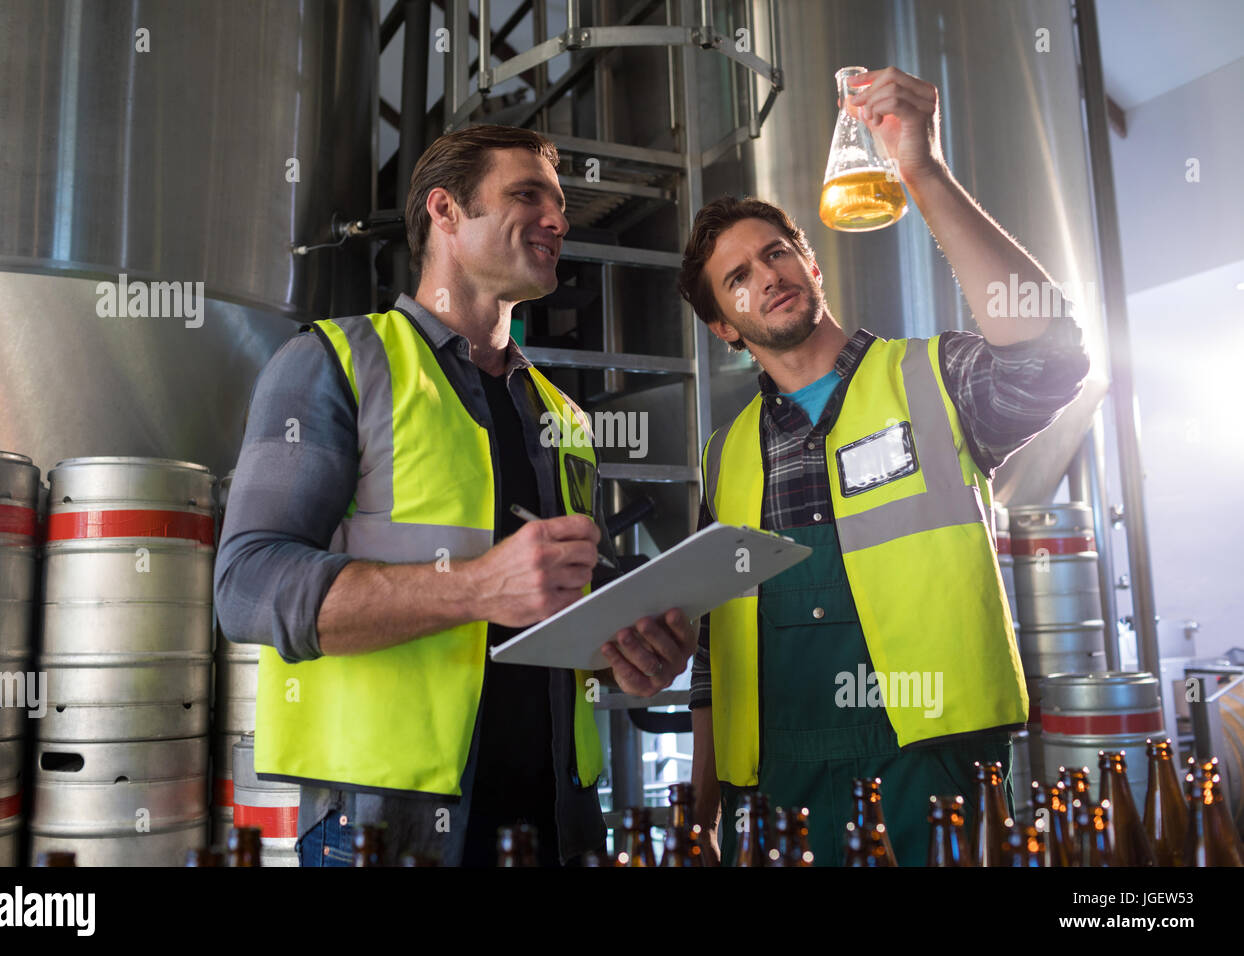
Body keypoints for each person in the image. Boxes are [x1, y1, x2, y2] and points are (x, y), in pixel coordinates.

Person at [215, 124, 697, 867]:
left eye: (560, 203)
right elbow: (247, 587)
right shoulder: (331, 363)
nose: (559, 220)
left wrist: (623, 652)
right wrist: (473, 587)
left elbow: (557, 612)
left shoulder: (562, 415)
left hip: (558, 825)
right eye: (527, 195)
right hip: (383, 829)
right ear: (445, 211)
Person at [678, 67, 1091, 866]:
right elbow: (711, 646)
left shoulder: (931, 379)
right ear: (724, 328)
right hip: (772, 780)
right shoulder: (725, 455)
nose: (767, 277)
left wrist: (921, 169)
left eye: (777, 253)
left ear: (813, 264)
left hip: (929, 758)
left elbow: (1048, 357)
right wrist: (703, 807)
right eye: (738, 279)